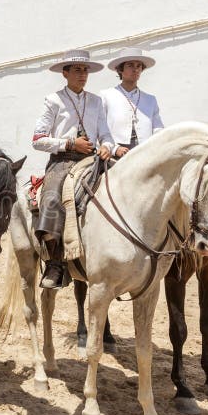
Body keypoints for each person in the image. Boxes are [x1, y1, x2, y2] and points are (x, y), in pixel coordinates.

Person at [32, 49, 115, 289]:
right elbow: (37, 139)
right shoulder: (53, 100)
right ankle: (55, 263)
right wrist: (69, 143)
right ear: (65, 73)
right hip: (63, 160)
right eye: (77, 70)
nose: (83, 74)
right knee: (51, 199)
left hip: (93, 158)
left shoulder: (96, 101)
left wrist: (107, 147)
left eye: (85, 70)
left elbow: (106, 134)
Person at [101, 48, 164, 156]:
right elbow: (100, 129)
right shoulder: (106, 95)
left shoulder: (150, 99)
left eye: (138, 66)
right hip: (115, 155)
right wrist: (115, 149)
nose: (135, 69)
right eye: (130, 65)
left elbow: (158, 129)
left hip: (145, 152)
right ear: (120, 69)